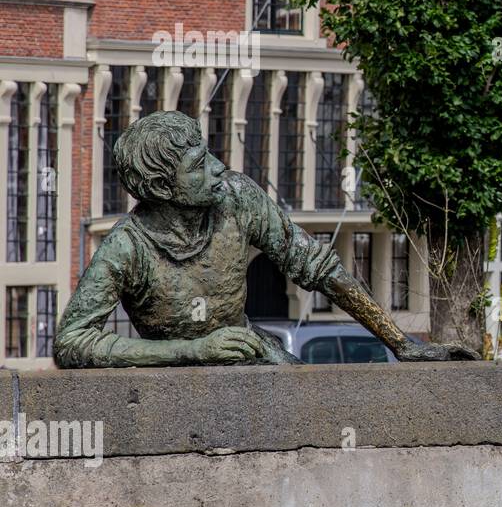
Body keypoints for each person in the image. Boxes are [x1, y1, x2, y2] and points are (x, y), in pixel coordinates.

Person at [55, 110, 476, 367]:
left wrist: (402, 345)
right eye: (199, 165)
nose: (219, 169)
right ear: (163, 188)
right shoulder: (126, 247)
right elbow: (72, 342)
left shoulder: (236, 197)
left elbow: (317, 265)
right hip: (175, 382)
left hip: (254, 354)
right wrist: (194, 350)